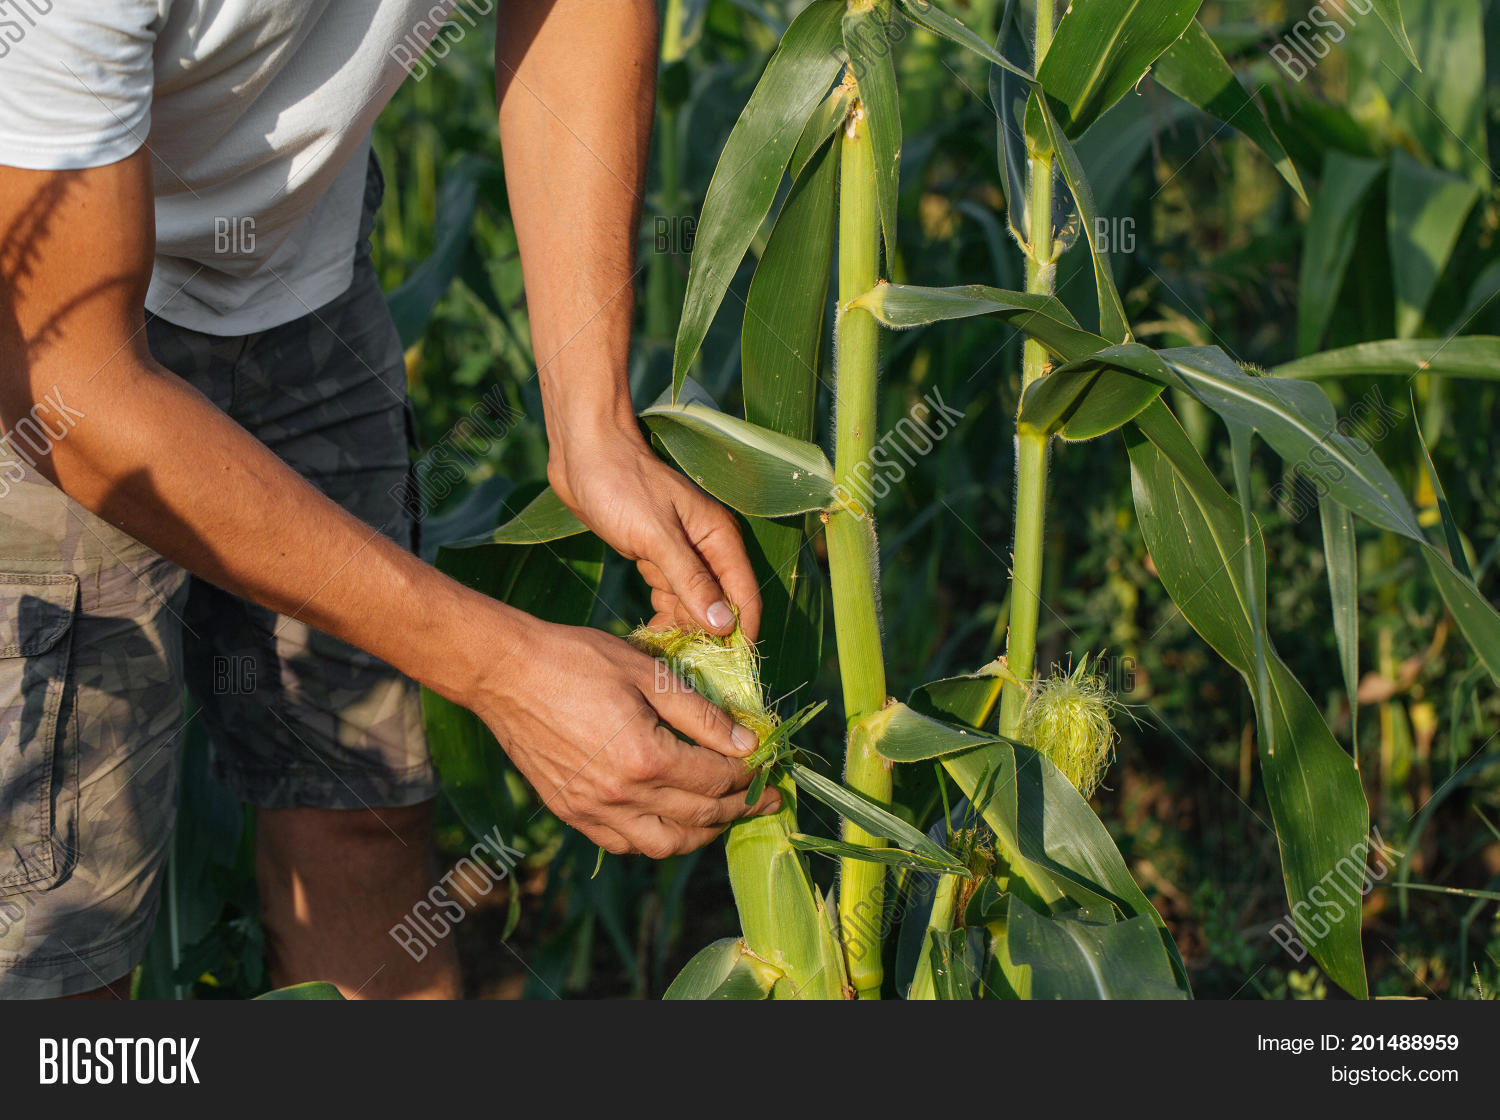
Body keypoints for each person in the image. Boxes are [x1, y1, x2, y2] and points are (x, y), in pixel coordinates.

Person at [0, 0, 775, 1001]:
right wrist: (500, 669)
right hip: (50, 342)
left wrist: (594, 424)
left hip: (297, 271)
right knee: (62, 938)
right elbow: (73, 387)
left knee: (362, 814)